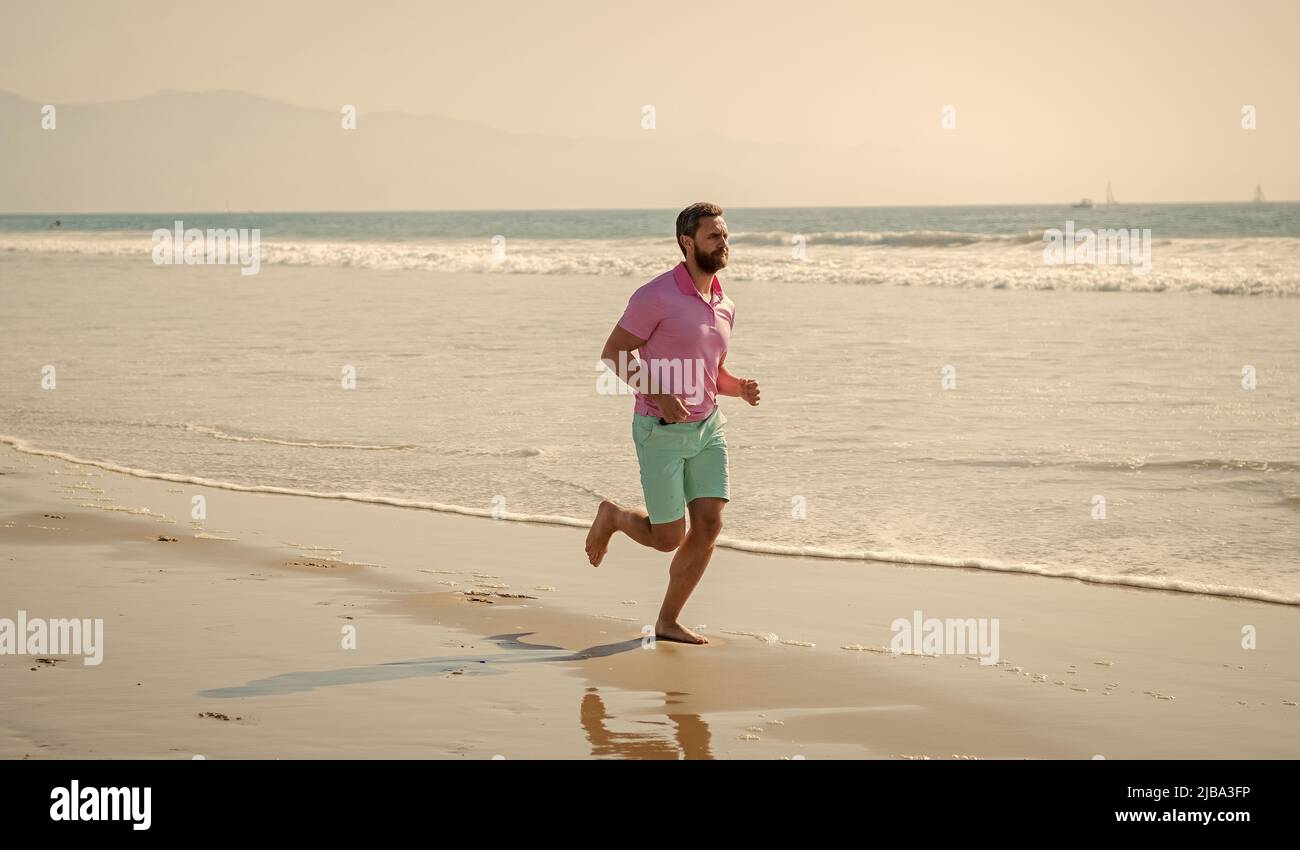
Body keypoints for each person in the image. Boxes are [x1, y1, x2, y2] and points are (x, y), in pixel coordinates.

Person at [584, 202, 761, 644]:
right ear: (687, 242)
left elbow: (709, 372)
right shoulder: (655, 296)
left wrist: (736, 387)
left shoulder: (725, 304)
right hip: (658, 430)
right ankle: (615, 516)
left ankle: (667, 621)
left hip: (708, 431)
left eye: (725, 235)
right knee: (667, 538)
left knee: (710, 525)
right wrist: (660, 395)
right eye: (714, 236)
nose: (724, 244)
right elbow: (614, 354)